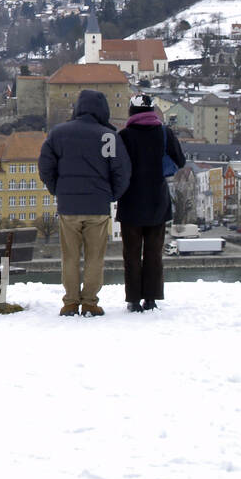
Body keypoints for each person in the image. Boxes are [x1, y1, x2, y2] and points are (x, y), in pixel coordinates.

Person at [39, 89, 131, 317]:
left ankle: (70, 302)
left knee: (69, 256)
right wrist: (111, 195)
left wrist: (57, 190)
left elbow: (45, 166)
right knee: (94, 257)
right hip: (97, 206)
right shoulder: (108, 136)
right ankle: (89, 302)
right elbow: (121, 171)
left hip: (68, 206)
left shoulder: (58, 133)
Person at [118, 93, 185, 311]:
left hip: (131, 201)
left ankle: (133, 300)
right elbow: (180, 160)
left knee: (132, 253)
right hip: (158, 200)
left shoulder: (125, 136)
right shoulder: (164, 133)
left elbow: (117, 167)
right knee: (154, 252)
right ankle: (152, 297)